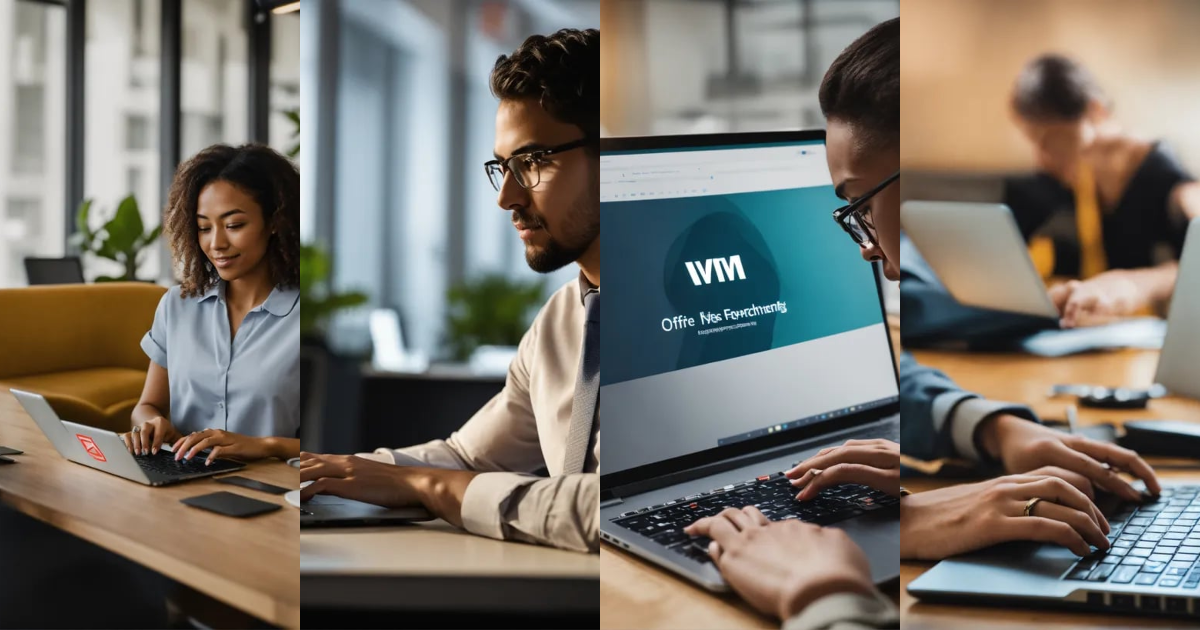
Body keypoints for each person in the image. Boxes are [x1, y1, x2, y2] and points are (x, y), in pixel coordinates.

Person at [686, 18, 1161, 629]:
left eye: (857, 204)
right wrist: (992, 429)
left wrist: (824, 588)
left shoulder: (1151, 174)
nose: (862, 244)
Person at [297, 28, 601, 553]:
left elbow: (615, 509)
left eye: (531, 162)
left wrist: (432, 487)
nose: (506, 197)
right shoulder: (560, 322)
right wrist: (343, 472)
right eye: (502, 167)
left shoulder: (691, 308)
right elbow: (468, 457)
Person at [903, 54, 1199, 344]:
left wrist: (1132, 285)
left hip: (1152, 339)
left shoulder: (1173, 182)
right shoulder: (1067, 178)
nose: (1041, 157)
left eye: (1049, 139)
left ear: (1095, 111)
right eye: (1034, 142)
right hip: (1091, 333)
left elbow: (1192, 264)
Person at [122, 143, 301, 464]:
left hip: (275, 485)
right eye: (204, 227)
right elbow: (147, 406)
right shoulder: (177, 305)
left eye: (234, 225)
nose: (216, 243)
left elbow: (343, 442)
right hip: (183, 476)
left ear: (275, 221)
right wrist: (150, 424)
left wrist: (267, 445)